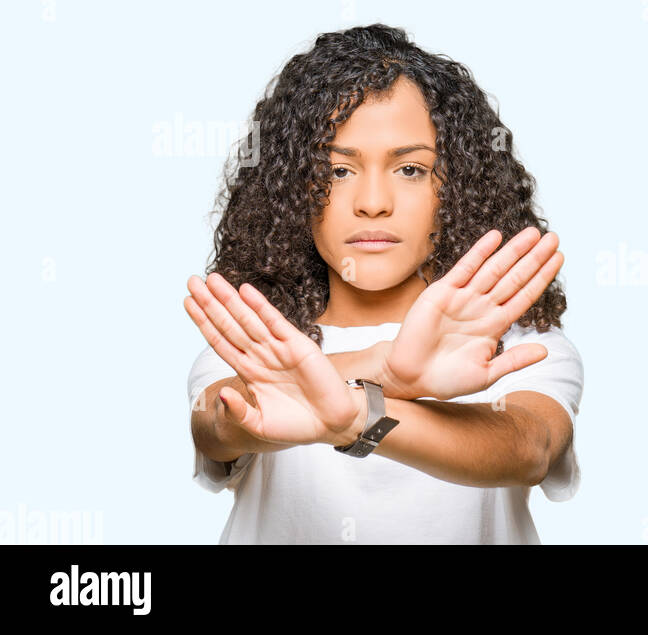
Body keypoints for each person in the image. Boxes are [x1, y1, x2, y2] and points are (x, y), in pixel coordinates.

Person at [181, 23, 582, 544]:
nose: (373, 201)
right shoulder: (256, 343)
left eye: (411, 169)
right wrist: (382, 368)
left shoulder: (515, 343)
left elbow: (529, 448)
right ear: (290, 189)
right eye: (339, 170)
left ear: (455, 186)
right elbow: (217, 427)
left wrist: (356, 414)